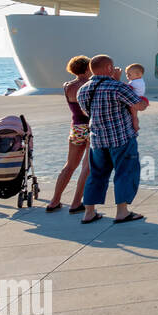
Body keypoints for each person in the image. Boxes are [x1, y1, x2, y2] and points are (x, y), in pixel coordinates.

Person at [77, 54, 149, 224]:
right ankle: (122, 212)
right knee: (125, 172)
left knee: (96, 175)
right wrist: (144, 101)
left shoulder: (83, 90)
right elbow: (139, 105)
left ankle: (89, 212)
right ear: (109, 68)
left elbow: (87, 113)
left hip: (98, 140)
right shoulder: (117, 87)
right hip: (121, 137)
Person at [46, 55, 93, 214]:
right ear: (88, 69)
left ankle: (54, 201)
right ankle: (75, 203)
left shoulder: (67, 86)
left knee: (69, 166)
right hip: (91, 126)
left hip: (76, 127)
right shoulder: (90, 85)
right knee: (86, 166)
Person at [125, 62, 148, 132]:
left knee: (134, 116)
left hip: (135, 100)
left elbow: (128, 88)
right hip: (141, 98)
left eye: (129, 74)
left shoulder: (134, 82)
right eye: (126, 74)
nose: (127, 76)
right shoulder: (141, 80)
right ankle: (136, 126)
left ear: (138, 74)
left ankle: (135, 127)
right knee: (135, 115)